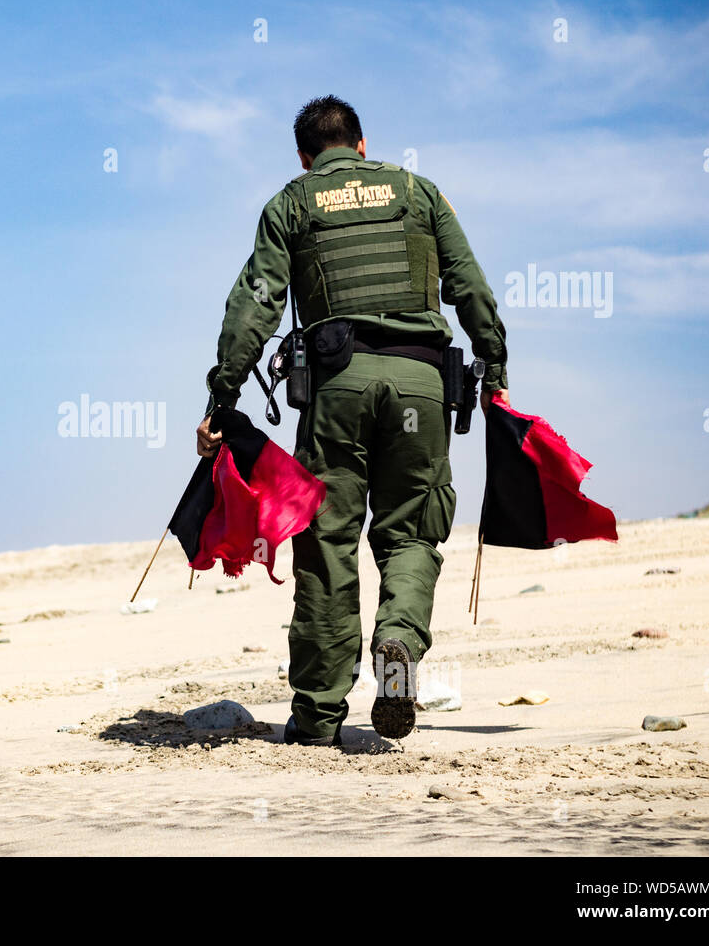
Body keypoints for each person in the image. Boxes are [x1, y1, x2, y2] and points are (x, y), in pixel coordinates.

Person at [195, 95, 510, 745]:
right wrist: (494, 369)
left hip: (337, 387)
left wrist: (222, 397)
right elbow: (470, 287)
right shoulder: (419, 192)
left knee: (327, 545)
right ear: (362, 145)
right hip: (423, 386)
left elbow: (255, 302)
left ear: (307, 156)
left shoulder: (292, 202)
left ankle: (317, 715)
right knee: (411, 536)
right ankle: (397, 644)